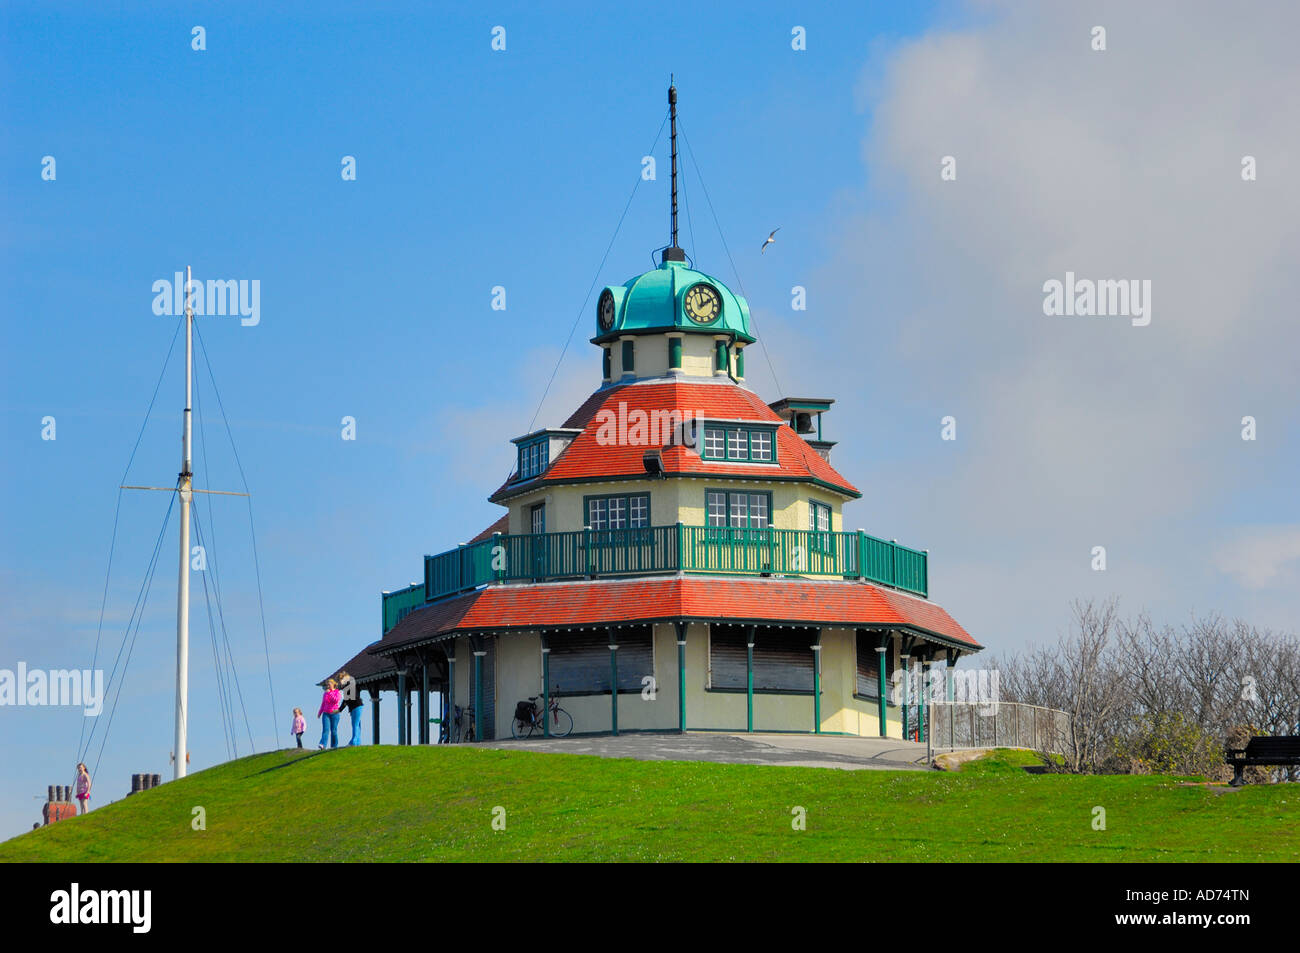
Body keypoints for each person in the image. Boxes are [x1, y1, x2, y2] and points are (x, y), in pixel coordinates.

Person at [336, 670, 364, 746]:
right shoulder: (347, 686)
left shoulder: (349, 685)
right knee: (356, 724)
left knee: (355, 724)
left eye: (340, 680)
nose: (339, 683)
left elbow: (346, 700)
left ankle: (354, 742)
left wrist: (339, 709)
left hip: (357, 706)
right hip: (354, 707)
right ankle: (357, 742)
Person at [317, 679, 342, 749]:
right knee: (325, 730)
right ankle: (322, 744)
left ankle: (334, 746)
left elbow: (336, 700)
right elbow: (323, 703)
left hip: (335, 713)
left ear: (333, 684)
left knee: (333, 730)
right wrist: (320, 712)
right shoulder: (325, 693)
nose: (328, 685)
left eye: (329, 684)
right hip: (326, 713)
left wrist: (330, 693)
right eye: (327, 684)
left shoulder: (337, 692)